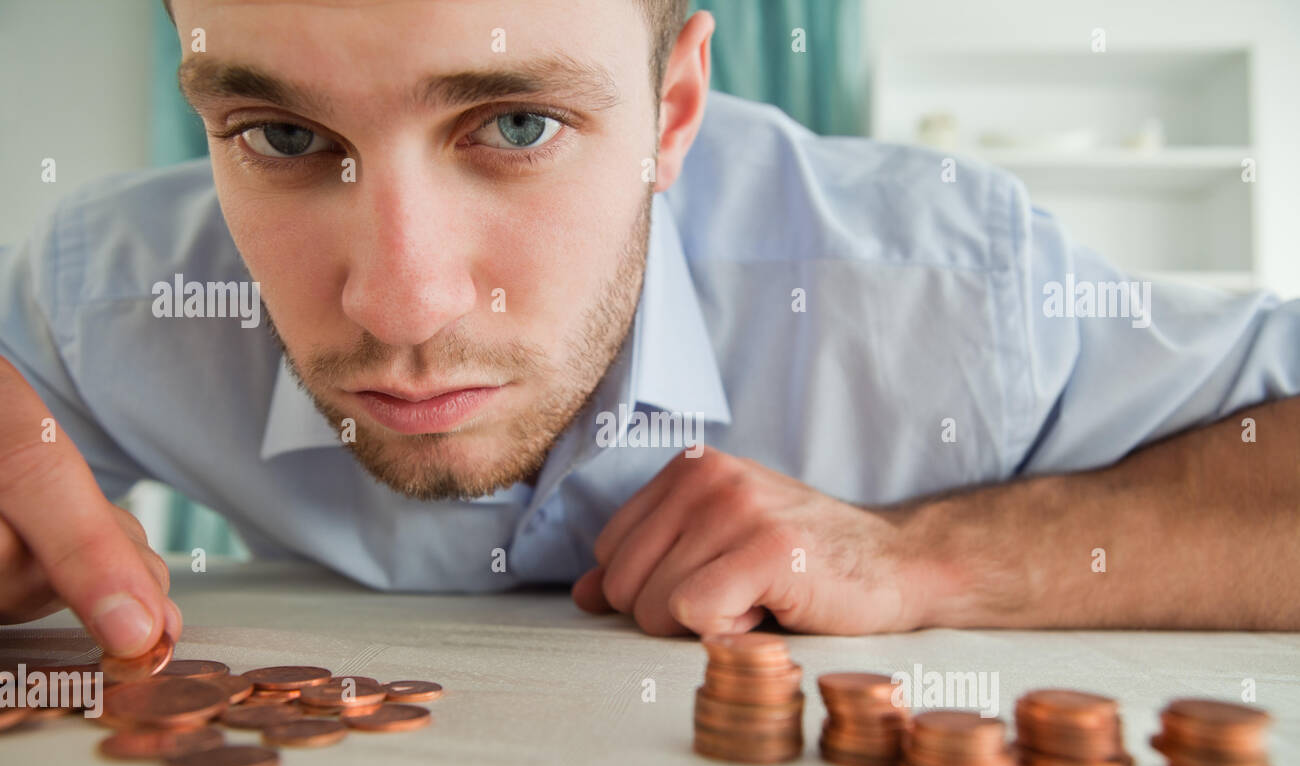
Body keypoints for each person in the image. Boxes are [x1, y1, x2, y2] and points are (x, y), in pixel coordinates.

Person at [1, 0, 1297, 658]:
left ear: (674, 112)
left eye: (516, 125)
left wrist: (936, 557)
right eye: (282, 137)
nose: (400, 306)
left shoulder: (950, 292)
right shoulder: (103, 293)